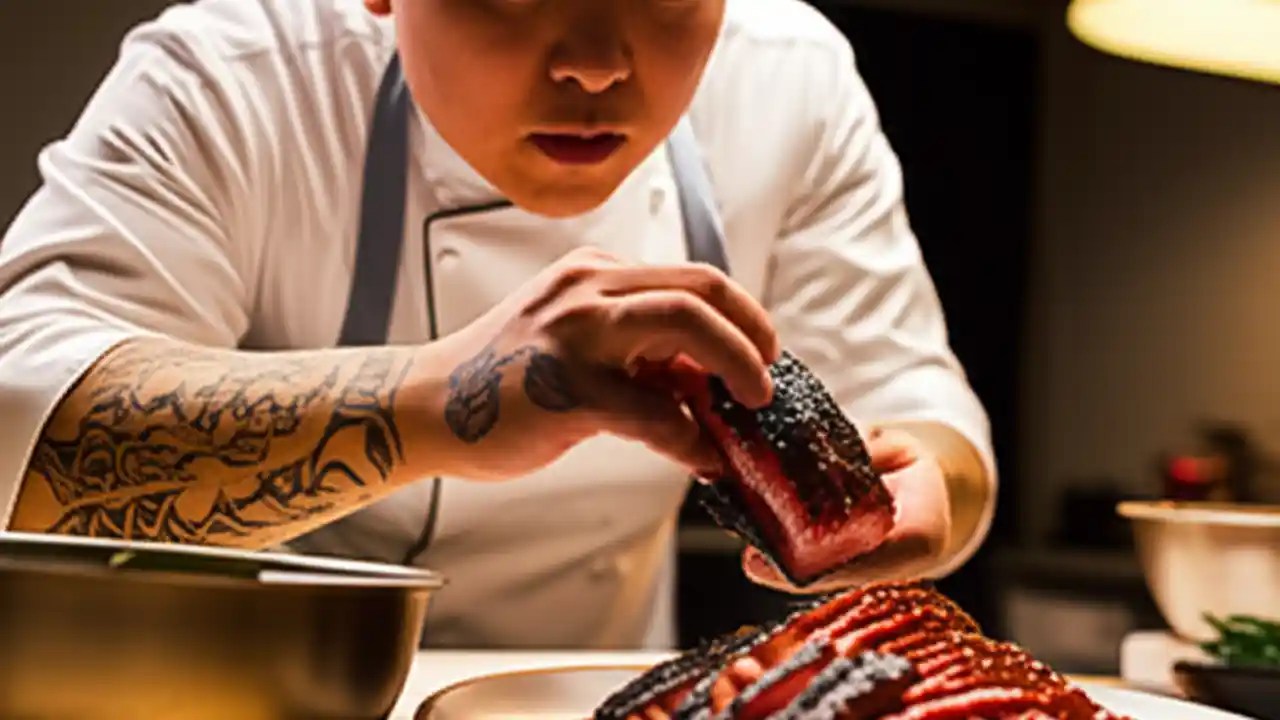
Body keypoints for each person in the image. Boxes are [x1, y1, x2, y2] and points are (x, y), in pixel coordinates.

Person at [0, 0, 996, 650]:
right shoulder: (234, 77)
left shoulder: (792, 80)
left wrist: (929, 494)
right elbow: (18, 425)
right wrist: (439, 402)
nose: (599, 65)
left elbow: (920, 405)